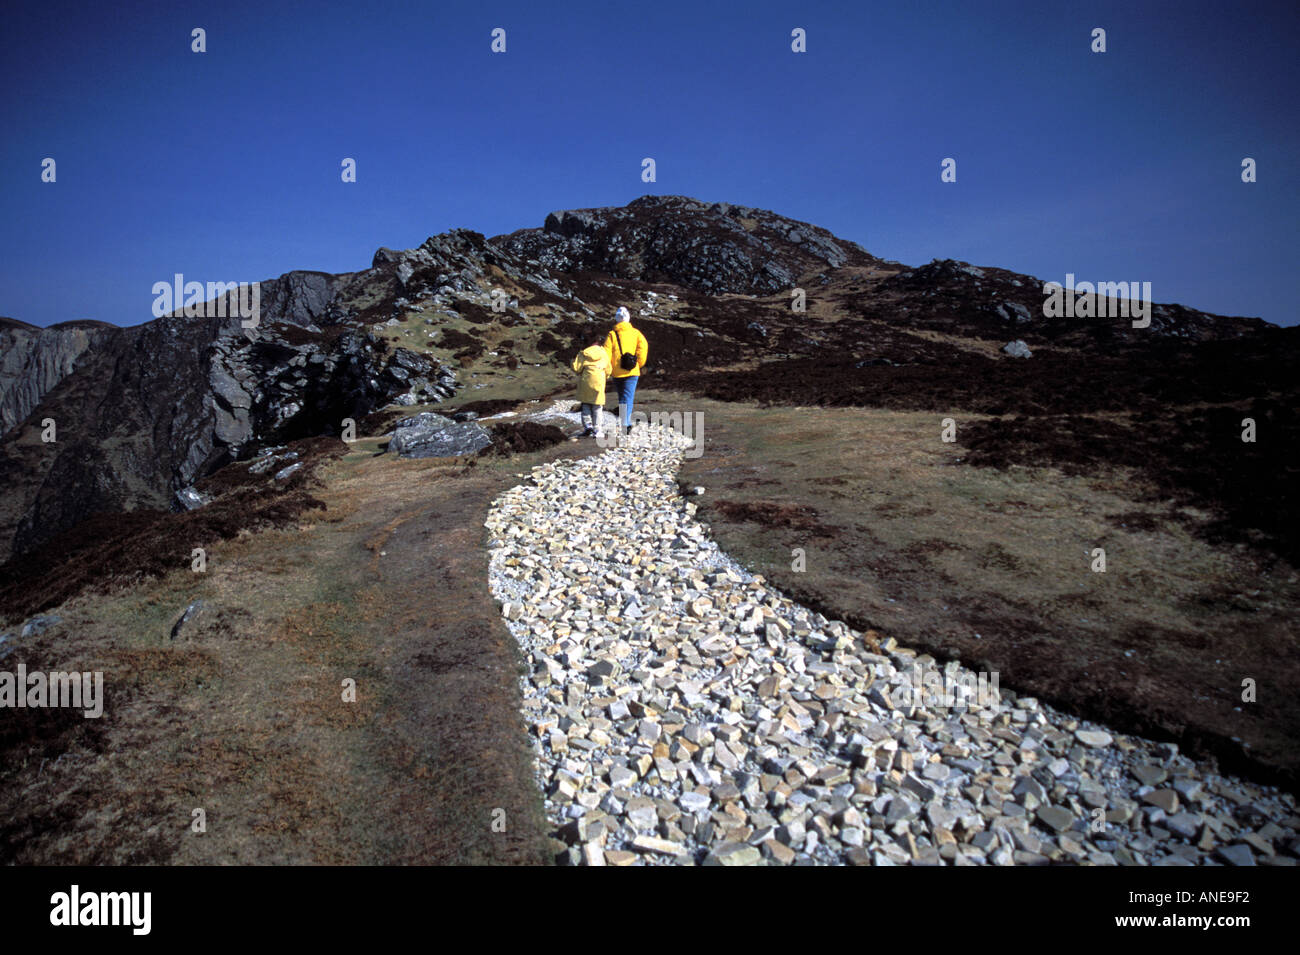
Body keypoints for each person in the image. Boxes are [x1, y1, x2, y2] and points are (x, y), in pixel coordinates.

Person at [603, 306, 648, 436]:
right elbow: (643, 348)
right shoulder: (636, 333)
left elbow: (606, 353)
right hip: (632, 371)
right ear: (628, 318)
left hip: (616, 372)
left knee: (622, 396)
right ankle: (625, 424)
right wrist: (639, 363)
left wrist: (609, 368)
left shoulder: (612, 334)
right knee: (628, 397)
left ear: (617, 319)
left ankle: (625, 421)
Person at [571, 334, 612, 438]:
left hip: (586, 381)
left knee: (586, 405)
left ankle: (588, 427)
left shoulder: (584, 353)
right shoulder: (604, 353)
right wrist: (605, 377)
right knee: (597, 407)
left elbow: (577, 368)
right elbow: (609, 369)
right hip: (599, 381)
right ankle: (597, 429)